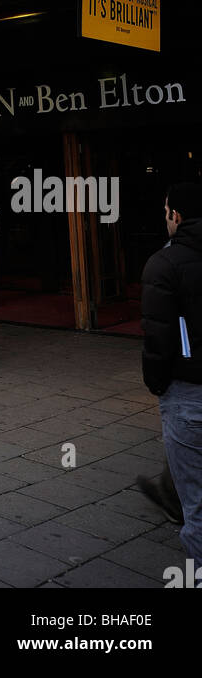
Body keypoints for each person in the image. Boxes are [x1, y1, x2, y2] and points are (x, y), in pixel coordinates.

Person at [141, 182, 202, 566]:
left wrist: (158, 384)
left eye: (166, 212)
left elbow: (157, 337)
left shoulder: (164, 264)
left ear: (175, 216)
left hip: (188, 392)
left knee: (196, 503)